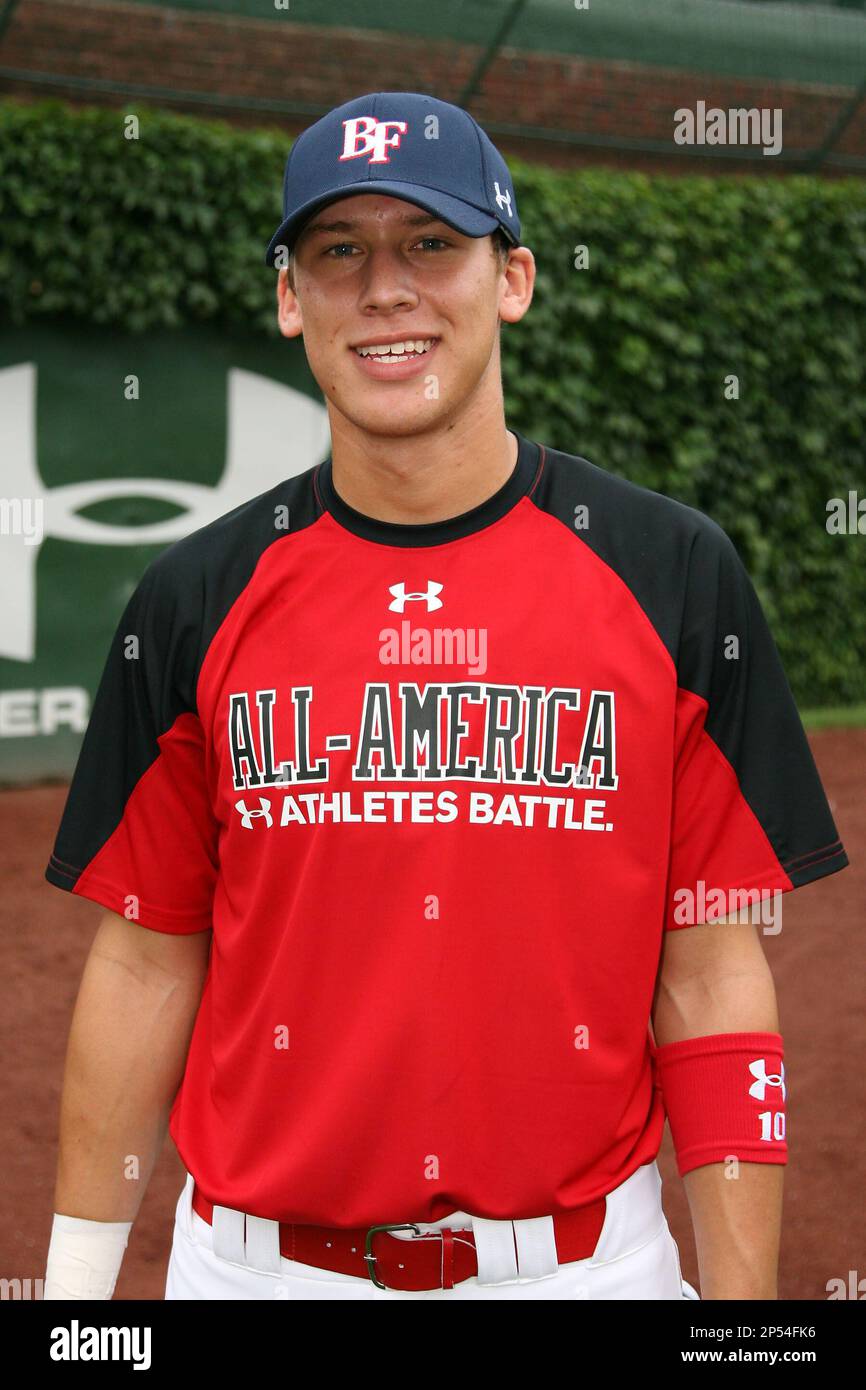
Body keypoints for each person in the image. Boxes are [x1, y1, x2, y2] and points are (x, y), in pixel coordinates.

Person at [43, 91, 848, 1301]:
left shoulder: (669, 572)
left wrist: (740, 1323)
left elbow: (709, 971)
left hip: (582, 1272)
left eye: (429, 242)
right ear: (287, 299)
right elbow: (147, 964)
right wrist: (70, 1304)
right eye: (337, 252)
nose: (384, 288)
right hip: (256, 1274)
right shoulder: (194, 595)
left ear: (512, 278)